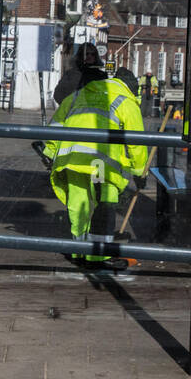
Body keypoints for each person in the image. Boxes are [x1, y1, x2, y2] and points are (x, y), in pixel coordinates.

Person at [42, 52, 149, 271]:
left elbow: (58, 123)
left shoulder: (80, 94)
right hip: (99, 163)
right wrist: (140, 173)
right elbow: (137, 143)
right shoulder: (125, 101)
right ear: (131, 88)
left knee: (77, 205)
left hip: (71, 159)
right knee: (104, 204)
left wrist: (50, 152)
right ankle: (97, 257)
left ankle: (80, 251)